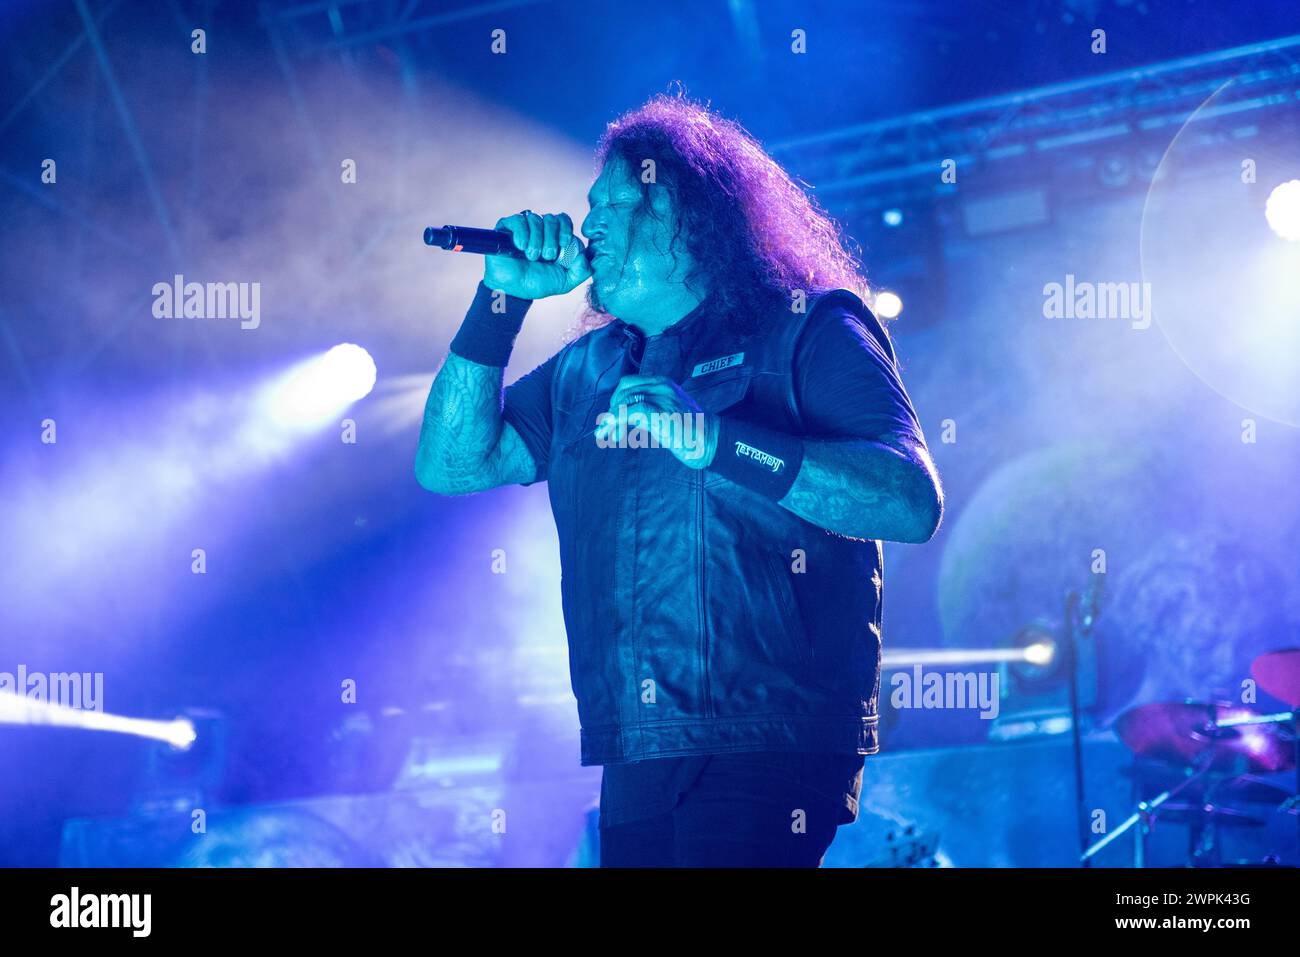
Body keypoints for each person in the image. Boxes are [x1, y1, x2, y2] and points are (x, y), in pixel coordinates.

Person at [415, 94, 943, 867]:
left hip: (768, 729)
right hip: (636, 738)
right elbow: (451, 464)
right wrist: (500, 300)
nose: (586, 227)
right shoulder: (587, 369)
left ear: (683, 213)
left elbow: (908, 498)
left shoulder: (807, 326)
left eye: (609, 206)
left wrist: (718, 442)